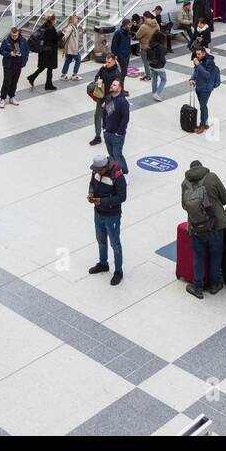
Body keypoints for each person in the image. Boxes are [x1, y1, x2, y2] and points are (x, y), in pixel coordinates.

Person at [181, 159, 226, 299]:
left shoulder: (184, 183)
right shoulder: (212, 177)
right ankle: (215, 284)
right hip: (215, 225)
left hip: (196, 227)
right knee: (216, 255)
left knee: (199, 256)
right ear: (202, 167)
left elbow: (184, 205)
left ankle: (197, 287)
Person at [87, 153, 127, 286]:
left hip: (112, 216)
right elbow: (92, 183)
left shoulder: (117, 176)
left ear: (105, 167)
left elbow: (122, 197)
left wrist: (102, 201)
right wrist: (91, 192)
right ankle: (103, 264)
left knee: (115, 244)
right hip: (98, 213)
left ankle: (118, 271)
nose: (96, 172)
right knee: (101, 240)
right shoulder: (96, 171)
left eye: (98, 170)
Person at [88, 55, 123, 146]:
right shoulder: (103, 69)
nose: (107, 64)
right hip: (101, 96)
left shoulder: (116, 73)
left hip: (110, 99)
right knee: (97, 117)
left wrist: (107, 101)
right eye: (106, 62)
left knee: (110, 118)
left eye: (109, 62)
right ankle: (98, 136)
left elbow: (115, 90)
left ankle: (111, 135)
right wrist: (97, 81)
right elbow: (97, 76)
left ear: (114, 61)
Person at [101, 77, 130, 173]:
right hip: (107, 132)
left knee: (117, 154)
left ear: (120, 88)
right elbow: (106, 113)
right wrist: (104, 127)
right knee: (111, 154)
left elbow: (125, 119)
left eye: (114, 85)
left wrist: (120, 132)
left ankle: (125, 172)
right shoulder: (108, 97)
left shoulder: (123, 102)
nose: (111, 86)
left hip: (117, 135)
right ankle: (115, 171)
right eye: (112, 84)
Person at [26, 15, 60, 90]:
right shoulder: (50, 29)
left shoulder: (45, 26)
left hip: (44, 51)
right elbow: (55, 39)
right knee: (49, 68)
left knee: (43, 67)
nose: (56, 21)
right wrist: (62, 33)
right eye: (56, 20)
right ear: (53, 20)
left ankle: (32, 77)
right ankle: (48, 85)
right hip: (49, 52)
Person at [190, 47, 219, 135]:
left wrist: (198, 65)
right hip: (199, 86)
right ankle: (205, 123)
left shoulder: (210, 62)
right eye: (196, 54)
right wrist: (192, 79)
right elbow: (196, 71)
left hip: (206, 88)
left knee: (202, 106)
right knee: (203, 105)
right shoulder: (199, 60)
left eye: (199, 54)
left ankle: (202, 125)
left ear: (204, 53)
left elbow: (207, 75)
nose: (197, 56)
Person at [0, 26, 28, 108]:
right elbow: (1, 51)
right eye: (13, 36)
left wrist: (24, 61)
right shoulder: (6, 41)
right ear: (10, 34)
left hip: (18, 65)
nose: (14, 37)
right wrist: (9, 54)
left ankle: (12, 97)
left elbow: (26, 50)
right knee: (7, 81)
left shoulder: (22, 40)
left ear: (18, 34)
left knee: (15, 81)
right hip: (8, 65)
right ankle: (3, 98)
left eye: (16, 35)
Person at [146, 21, 168, 100]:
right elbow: (161, 57)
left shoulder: (150, 43)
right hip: (159, 65)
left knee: (154, 79)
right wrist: (163, 63)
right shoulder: (160, 47)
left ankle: (154, 92)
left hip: (151, 64)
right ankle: (157, 93)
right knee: (164, 79)